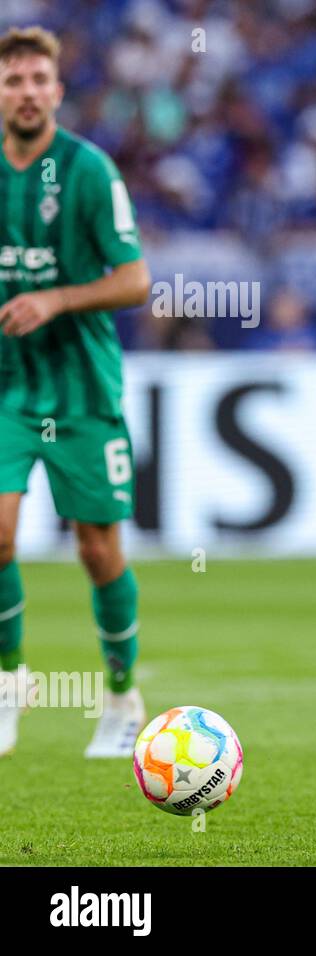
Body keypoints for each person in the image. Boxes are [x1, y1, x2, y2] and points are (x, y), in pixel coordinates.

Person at [0, 26, 152, 758]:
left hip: (82, 389)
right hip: (6, 391)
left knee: (97, 549)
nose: (26, 92)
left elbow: (135, 280)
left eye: (37, 80)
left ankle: (122, 693)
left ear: (56, 91)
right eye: (13, 81)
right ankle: (8, 683)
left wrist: (55, 300)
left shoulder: (87, 170)